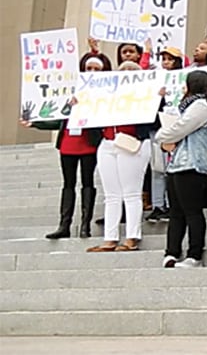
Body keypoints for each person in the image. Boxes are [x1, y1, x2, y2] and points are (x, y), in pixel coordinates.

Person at [20, 43, 109, 239]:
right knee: (68, 183)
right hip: (68, 142)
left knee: (87, 182)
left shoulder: (104, 90)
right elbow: (58, 117)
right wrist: (35, 123)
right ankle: (64, 225)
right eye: (89, 68)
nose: (92, 71)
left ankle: (85, 224)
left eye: (97, 68)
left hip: (89, 142)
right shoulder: (69, 88)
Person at [86, 60, 155, 252]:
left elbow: (155, 117)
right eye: (122, 71)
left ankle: (132, 236)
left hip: (132, 142)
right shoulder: (107, 94)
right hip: (108, 143)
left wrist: (159, 97)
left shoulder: (146, 94)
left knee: (132, 193)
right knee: (111, 194)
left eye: (131, 72)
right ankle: (110, 237)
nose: (126, 74)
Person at [156, 70, 207, 267]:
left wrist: (161, 137)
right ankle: (172, 252)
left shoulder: (201, 106)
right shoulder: (188, 106)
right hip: (178, 164)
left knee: (192, 211)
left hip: (194, 165)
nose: (183, 87)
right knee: (176, 211)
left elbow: (180, 128)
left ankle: (195, 254)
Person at [146, 47, 186, 224]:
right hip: (158, 127)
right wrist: (157, 96)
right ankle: (157, 205)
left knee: (172, 167)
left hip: (178, 127)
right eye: (164, 59)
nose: (166, 62)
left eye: (170, 59)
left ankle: (172, 204)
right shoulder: (156, 80)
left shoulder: (185, 79)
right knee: (157, 168)